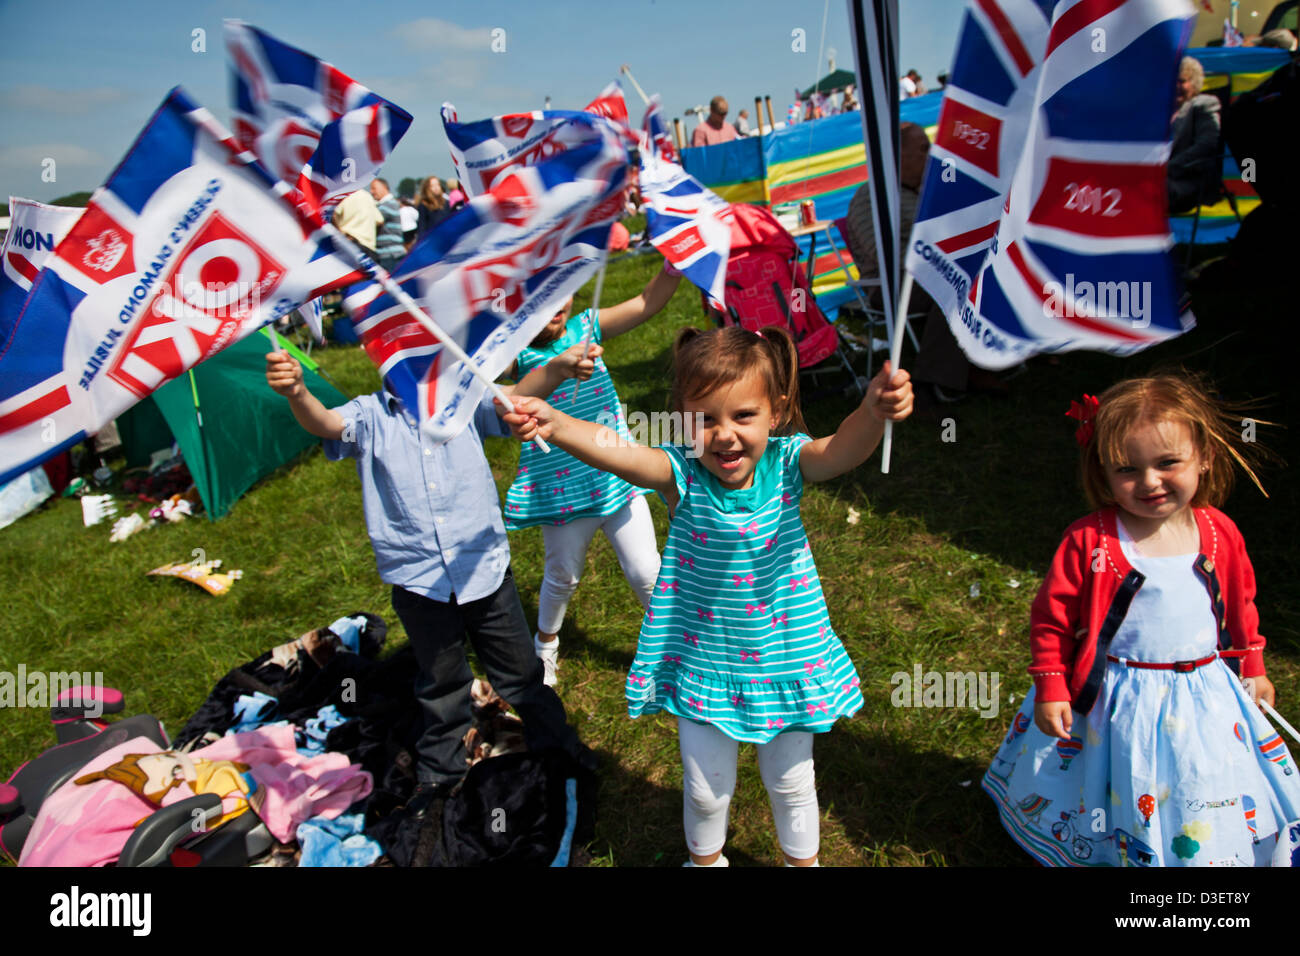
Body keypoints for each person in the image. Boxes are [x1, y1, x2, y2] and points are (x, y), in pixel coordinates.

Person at [502, 326, 914, 866]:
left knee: (792, 784)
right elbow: (616, 451)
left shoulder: (789, 463)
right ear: (680, 418)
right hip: (703, 662)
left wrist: (873, 414)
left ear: (777, 411)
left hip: (786, 658)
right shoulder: (680, 474)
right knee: (703, 791)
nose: (723, 435)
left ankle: (802, 863)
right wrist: (555, 424)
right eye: (704, 419)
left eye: (743, 415)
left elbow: (840, 451)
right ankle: (706, 861)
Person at [264, 341, 601, 806]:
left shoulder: (461, 400)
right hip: (420, 582)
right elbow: (326, 423)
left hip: (484, 570)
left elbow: (515, 395)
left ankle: (561, 753)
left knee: (522, 675)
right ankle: (440, 777)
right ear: (377, 355)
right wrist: (298, 392)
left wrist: (558, 368)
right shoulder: (370, 415)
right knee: (442, 684)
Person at [983, 375, 1300, 866]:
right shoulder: (1090, 540)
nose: (1150, 481)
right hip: (1113, 699)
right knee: (1120, 776)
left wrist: (1252, 663)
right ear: (1102, 473)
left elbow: (1240, 603)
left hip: (1204, 695)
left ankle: (1206, 846)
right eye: (1128, 469)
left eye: (1168, 462)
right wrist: (1051, 684)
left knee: (1199, 774)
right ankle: (1113, 847)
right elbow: (1052, 619)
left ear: (1205, 457)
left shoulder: (1218, 532)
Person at [504, 263, 683, 686]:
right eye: (541, 298)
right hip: (563, 491)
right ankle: (545, 645)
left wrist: (672, 267)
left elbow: (645, 303)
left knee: (646, 571)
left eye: (561, 292)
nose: (556, 306)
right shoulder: (513, 349)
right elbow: (502, 399)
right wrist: (558, 368)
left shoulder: (587, 326)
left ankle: (677, 647)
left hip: (616, 478)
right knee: (563, 574)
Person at [1168, 56, 1222, 214]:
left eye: (1182, 81)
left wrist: (1168, 168)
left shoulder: (1203, 104)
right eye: (1173, 81)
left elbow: (1206, 145)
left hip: (1186, 182)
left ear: (1195, 83)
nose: (1176, 86)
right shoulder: (1161, 110)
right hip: (1154, 176)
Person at [332, 187, 382, 260]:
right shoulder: (367, 196)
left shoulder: (342, 195)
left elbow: (333, 215)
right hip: (369, 247)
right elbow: (380, 220)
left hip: (349, 244)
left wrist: (340, 232)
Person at [368, 177, 405, 273]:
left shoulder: (389, 205)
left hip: (390, 254)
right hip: (390, 254)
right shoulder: (389, 204)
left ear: (384, 187)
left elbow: (373, 218)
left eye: (374, 188)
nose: (371, 192)